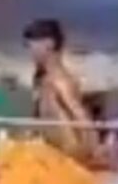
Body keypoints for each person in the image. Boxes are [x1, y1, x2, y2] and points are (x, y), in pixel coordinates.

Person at [23, 18, 101, 166]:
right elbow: (36, 118)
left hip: (68, 154)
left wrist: (94, 150)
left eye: (31, 45)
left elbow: (82, 118)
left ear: (49, 44)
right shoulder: (40, 78)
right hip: (49, 148)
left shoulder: (60, 81)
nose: (29, 51)